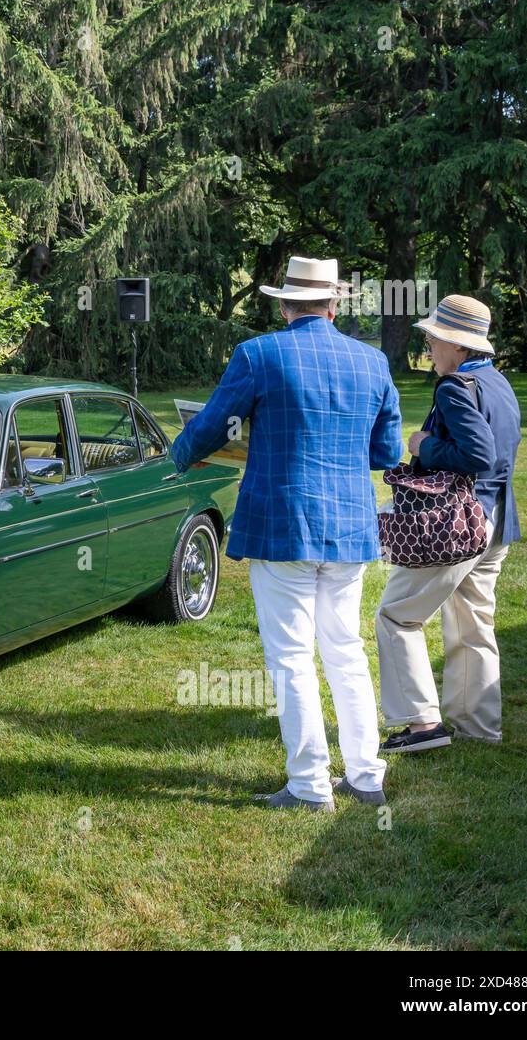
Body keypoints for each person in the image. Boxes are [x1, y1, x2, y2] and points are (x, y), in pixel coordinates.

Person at [171, 256, 402, 811]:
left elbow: (209, 427)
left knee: (292, 656)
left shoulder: (259, 353)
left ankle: (309, 785)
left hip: (283, 523)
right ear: (333, 303)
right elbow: (387, 452)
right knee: (345, 650)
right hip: (349, 525)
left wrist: (175, 455)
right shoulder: (373, 361)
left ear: (283, 303)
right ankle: (367, 776)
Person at [375, 295, 521, 751]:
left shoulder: (455, 387)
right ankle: (478, 726)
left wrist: (422, 445)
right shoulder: (498, 382)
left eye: (433, 339)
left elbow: (479, 455)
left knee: (397, 616)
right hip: (496, 522)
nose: (429, 348)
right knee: (472, 624)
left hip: (456, 524)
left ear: (457, 346)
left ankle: (422, 726)